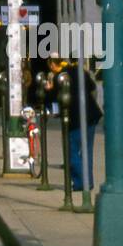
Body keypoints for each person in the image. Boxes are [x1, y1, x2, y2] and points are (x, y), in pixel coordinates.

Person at [48, 57, 102, 191]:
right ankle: (88, 182)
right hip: (91, 114)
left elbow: (54, 98)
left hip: (74, 118)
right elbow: (92, 86)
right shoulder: (79, 71)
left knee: (71, 150)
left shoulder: (58, 78)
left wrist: (49, 89)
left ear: (53, 65)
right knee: (87, 150)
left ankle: (80, 181)